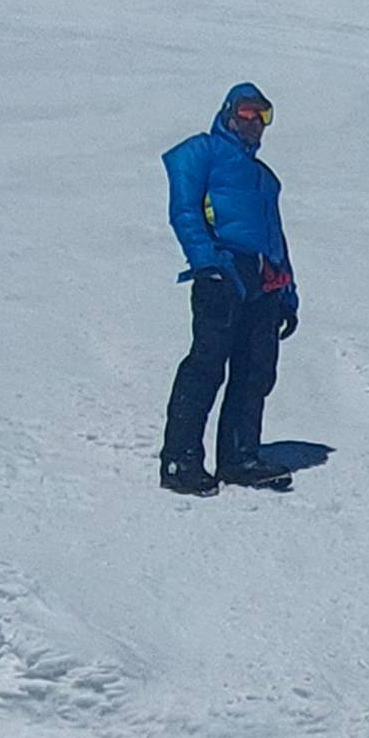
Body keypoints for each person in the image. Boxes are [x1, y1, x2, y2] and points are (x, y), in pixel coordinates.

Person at [159, 82, 298, 496]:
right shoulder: (201, 151)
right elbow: (184, 210)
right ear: (227, 114)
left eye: (263, 115)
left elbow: (275, 236)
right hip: (223, 270)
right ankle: (180, 460)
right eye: (246, 112)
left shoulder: (264, 178)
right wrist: (207, 263)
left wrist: (287, 293)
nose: (254, 122)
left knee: (256, 370)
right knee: (206, 366)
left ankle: (239, 457)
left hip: (263, 279)